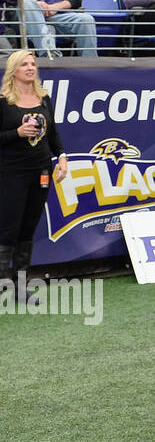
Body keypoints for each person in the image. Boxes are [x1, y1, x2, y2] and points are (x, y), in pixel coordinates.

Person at [0, 51, 68, 307]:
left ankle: (20, 287)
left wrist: (61, 156)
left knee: (28, 229)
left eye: (33, 63)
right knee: (8, 230)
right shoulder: (3, 101)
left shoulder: (43, 97)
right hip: (10, 174)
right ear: (13, 70)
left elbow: (54, 134)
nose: (30, 68)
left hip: (40, 173)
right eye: (24, 64)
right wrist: (17, 132)